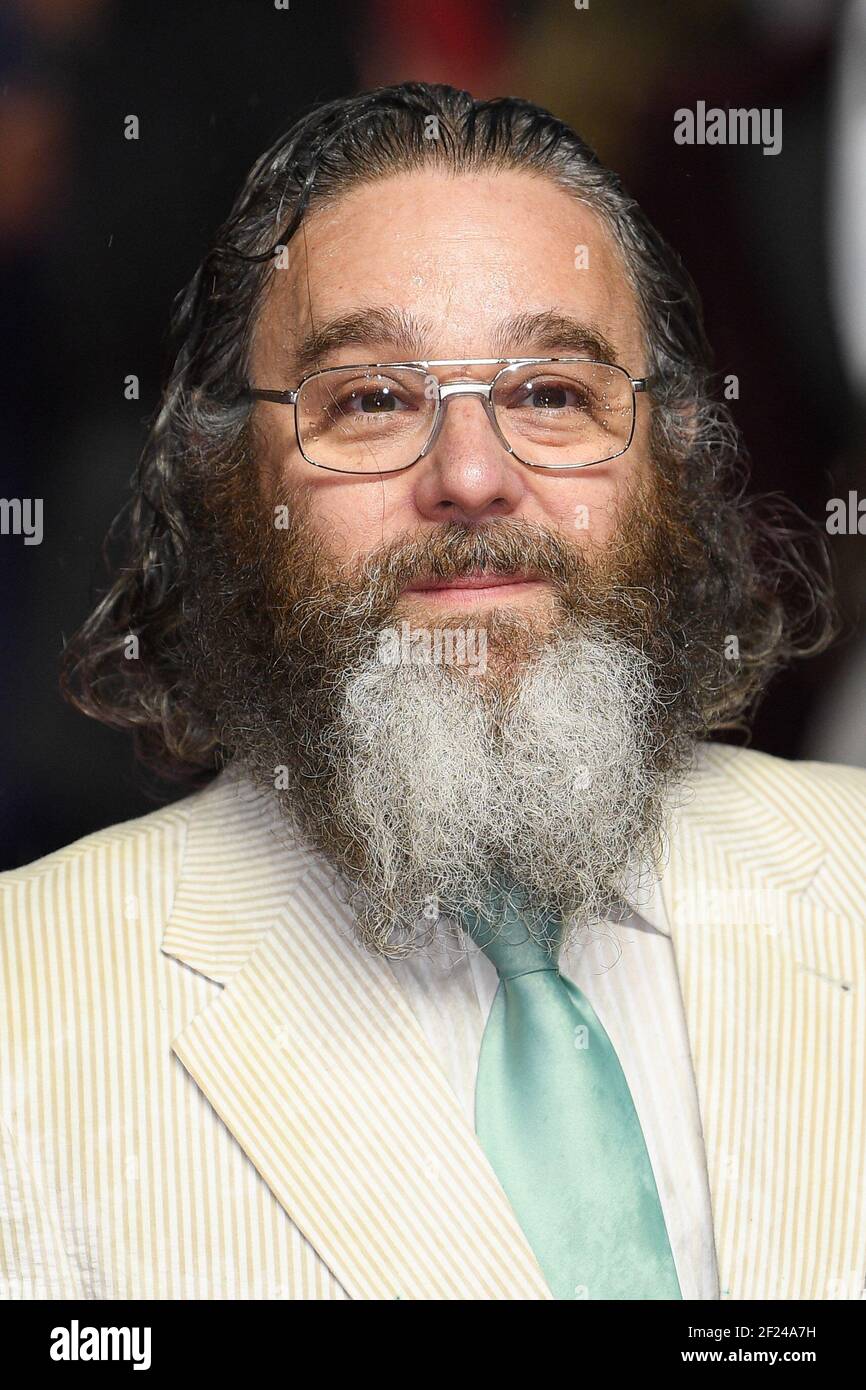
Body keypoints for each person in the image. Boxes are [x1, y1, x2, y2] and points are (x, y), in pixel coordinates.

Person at [2, 81, 863, 1302]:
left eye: (551, 395)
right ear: (224, 485)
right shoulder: (23, 1011)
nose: (471, 474)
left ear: (671, 461)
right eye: (370, 401)